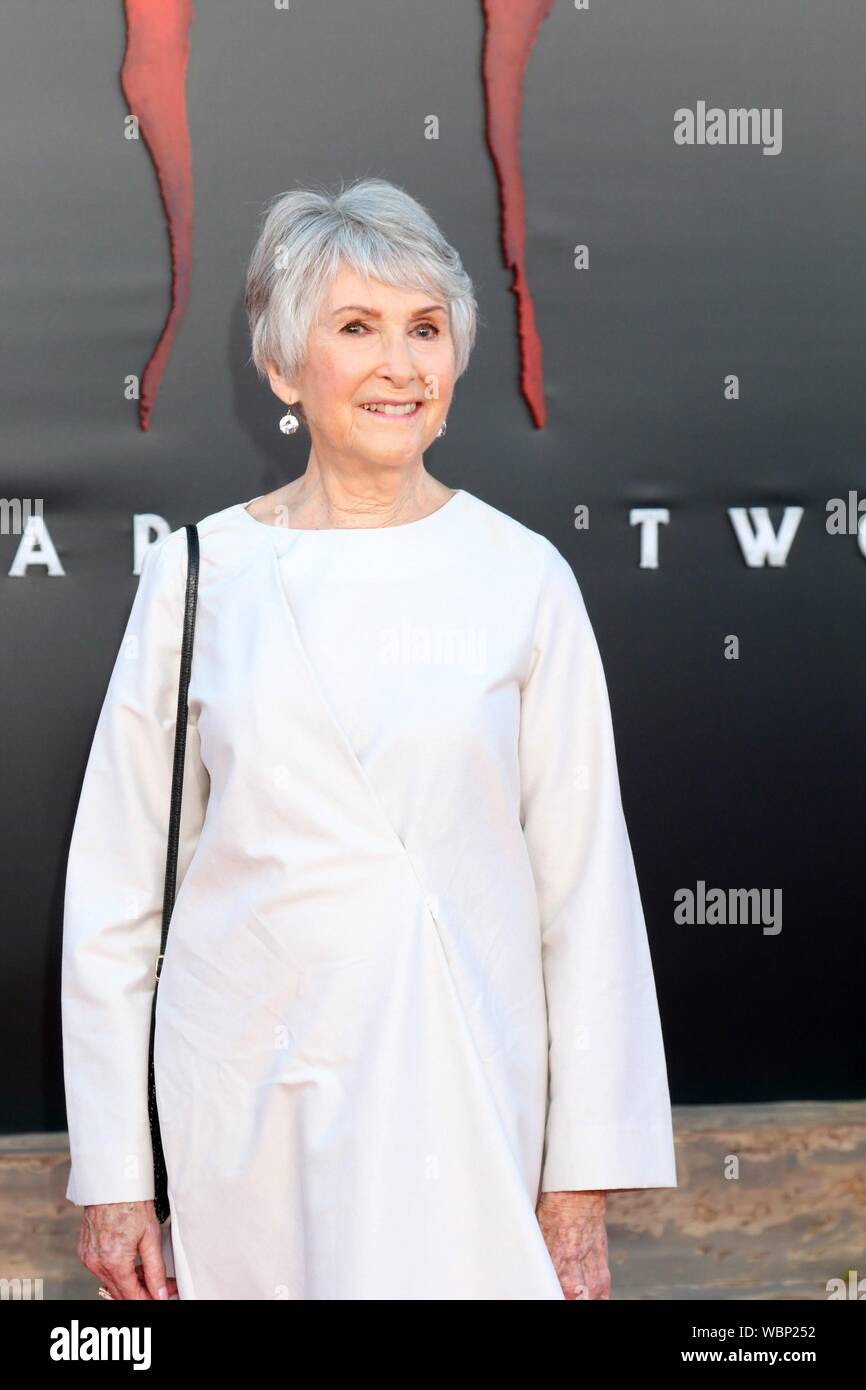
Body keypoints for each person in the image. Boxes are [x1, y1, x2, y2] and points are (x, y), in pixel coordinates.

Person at [61, 176, 677, 1301]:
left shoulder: (522, 579)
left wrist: (577, 1182)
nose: (402, 365)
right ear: (284, 369)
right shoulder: (197, 577)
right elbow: (113, 901)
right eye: (357, 328)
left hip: (466, 1117)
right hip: (243, 1126)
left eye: (425, 330)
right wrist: (115, 1175)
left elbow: (584, 899)